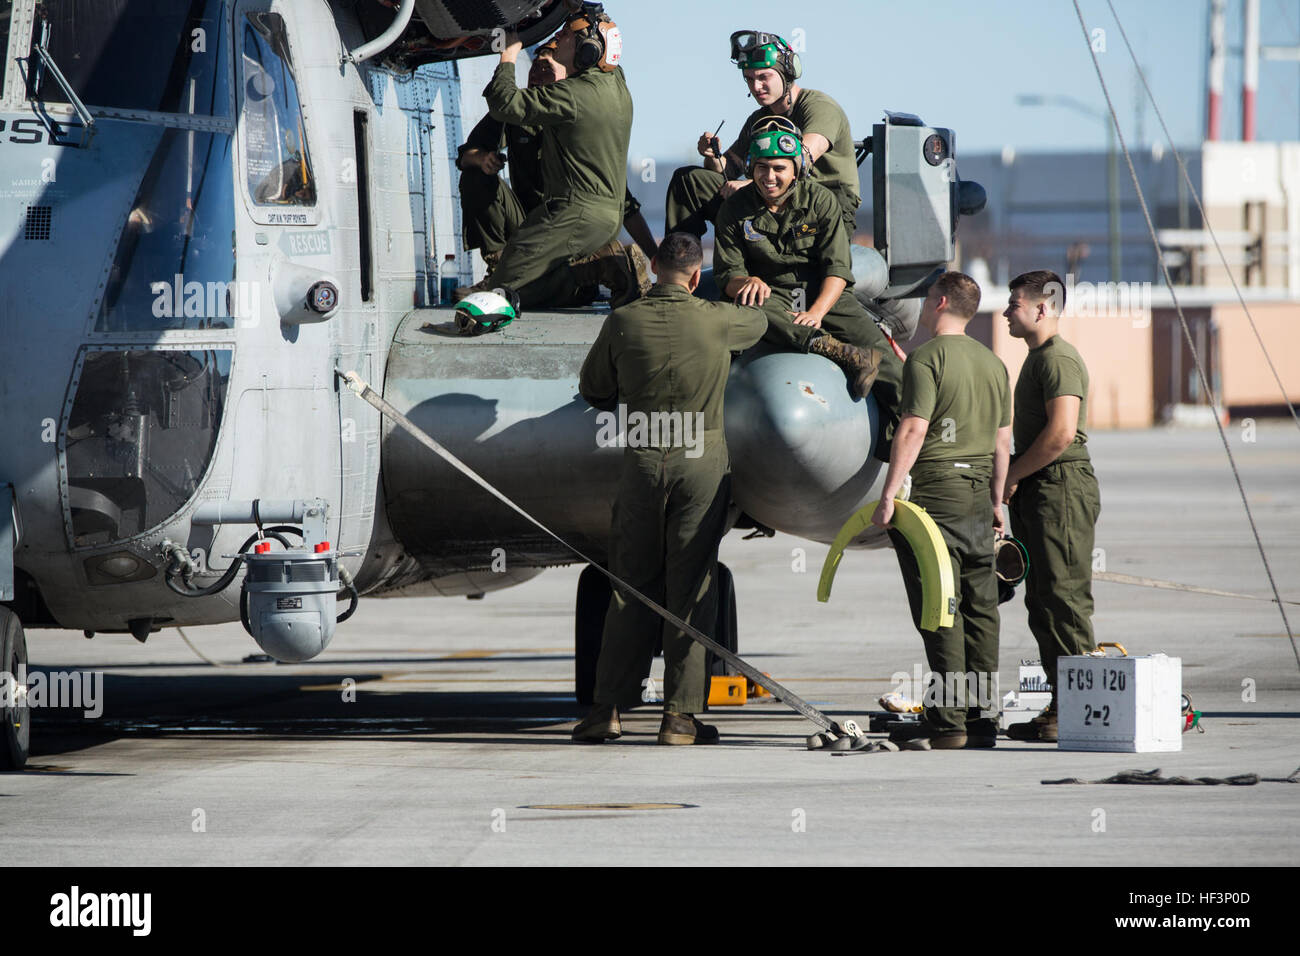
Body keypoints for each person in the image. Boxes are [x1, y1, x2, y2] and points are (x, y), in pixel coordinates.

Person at [572, 232, 767, 746]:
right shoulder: (719, 320)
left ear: (653, 266)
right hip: (700, 465)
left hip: (641, 460)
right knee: (691, 587)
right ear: (697, 275)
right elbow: (763, 318)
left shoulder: (622, 321)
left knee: (629, 586)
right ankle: (679, 716)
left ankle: (608, 709)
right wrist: (747, 284)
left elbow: (593, 389)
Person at [870, 271, 1011, 750]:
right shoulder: (994, 363)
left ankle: (948, 721)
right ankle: (981, 716)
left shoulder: (927, 359)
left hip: (936, 492)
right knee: (981, 607)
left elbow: (913, 429)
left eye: (928, 297)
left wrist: (889, 494)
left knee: (941, 605)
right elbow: (1002, 442)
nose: (923, 306)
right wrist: (997, 501)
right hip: (976, 493)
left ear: (942, 301)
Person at [713, 119, 902, 440]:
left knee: (892, 371)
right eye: (760, 168)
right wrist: (745, 282)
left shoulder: (821, 201)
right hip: (772, 296)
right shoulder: (735, 209)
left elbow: (838, 270)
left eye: (778, 168)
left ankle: (905, 445)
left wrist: (816, 313)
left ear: (796, 168)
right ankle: (833, 349)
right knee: (751, 308)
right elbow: (726, 273)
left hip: (825, 294)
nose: (768, 177)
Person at [469, 4, 646, 311]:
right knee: (518, 287)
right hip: (602, 217)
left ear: (587, 50)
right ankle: (597, 269)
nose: (557, 38)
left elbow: (504, 102)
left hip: (573, 214)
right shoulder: (615, 83)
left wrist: (509, 54)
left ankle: (601, 267)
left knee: (502, 293)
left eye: (565, 35)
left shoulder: (574, 95)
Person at [1001, 270, 1101, 743]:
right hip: (1042, 485)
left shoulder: (1058, 359)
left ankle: (1079, 709)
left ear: (1042, 308)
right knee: (1042, 599)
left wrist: (1014, 474)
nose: (1005, 312)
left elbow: (1061, 434)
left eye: (1013, 304)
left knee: (1063, 599)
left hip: (1058, 486)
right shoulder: (1039, 358)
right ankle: (1064, 705)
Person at [456, 48, 657, 281]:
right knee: (475, 176)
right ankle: (498, 265)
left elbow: (625, 203)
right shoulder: (517, 110)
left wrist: (655, 258)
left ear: (565, 78)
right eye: (535, 67)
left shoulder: (581, 119)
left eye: (547, 69)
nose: (537, 74)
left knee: (554, 286)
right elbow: (464, 155)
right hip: (527, 225)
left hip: (564, 228)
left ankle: (589, 271)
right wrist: (481, 159)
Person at [665, 30, 861, 237]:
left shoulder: (819, 107)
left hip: (821, 211)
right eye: (749, 79)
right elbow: (728, 169)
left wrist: (752, 184)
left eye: (763, 77)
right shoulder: (759, 120)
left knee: (789, 227)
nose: (756, 86)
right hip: (773, 202)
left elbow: (801, 161)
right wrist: (713, 156)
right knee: (690, 180)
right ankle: (680, 263)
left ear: (787, 72)